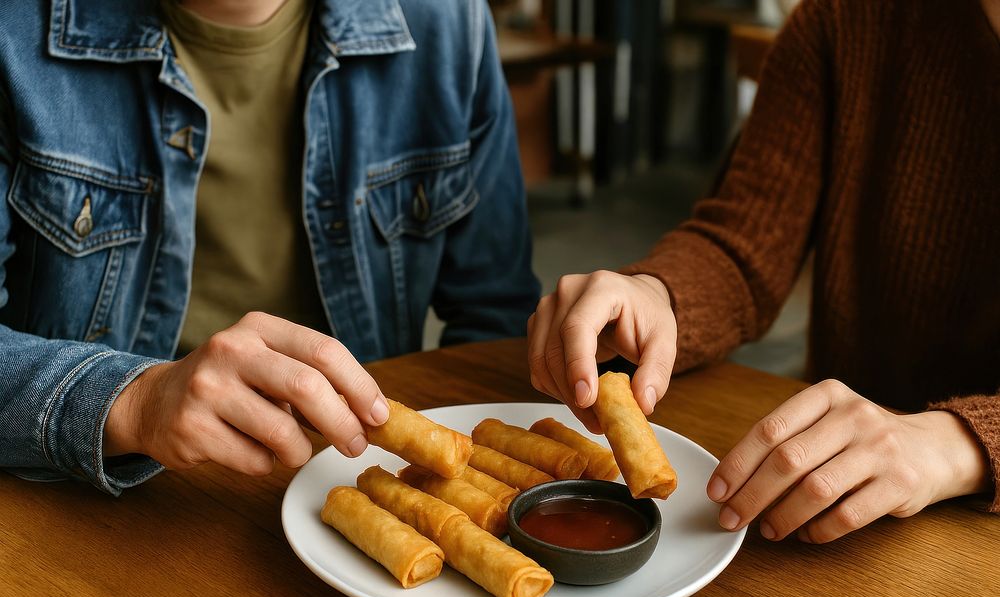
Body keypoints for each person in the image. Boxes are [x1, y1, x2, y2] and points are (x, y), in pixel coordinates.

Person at [0, 0, 539, 494]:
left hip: (361, 482)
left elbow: (495, 314)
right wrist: (137, 401)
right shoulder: (14, 31)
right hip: (85, 498)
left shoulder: (446, 23)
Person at [529, 0, 1000, 543]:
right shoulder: (846, 19)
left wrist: (958, 444)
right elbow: (745, 244)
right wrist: (658, 293)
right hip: (824, 506)